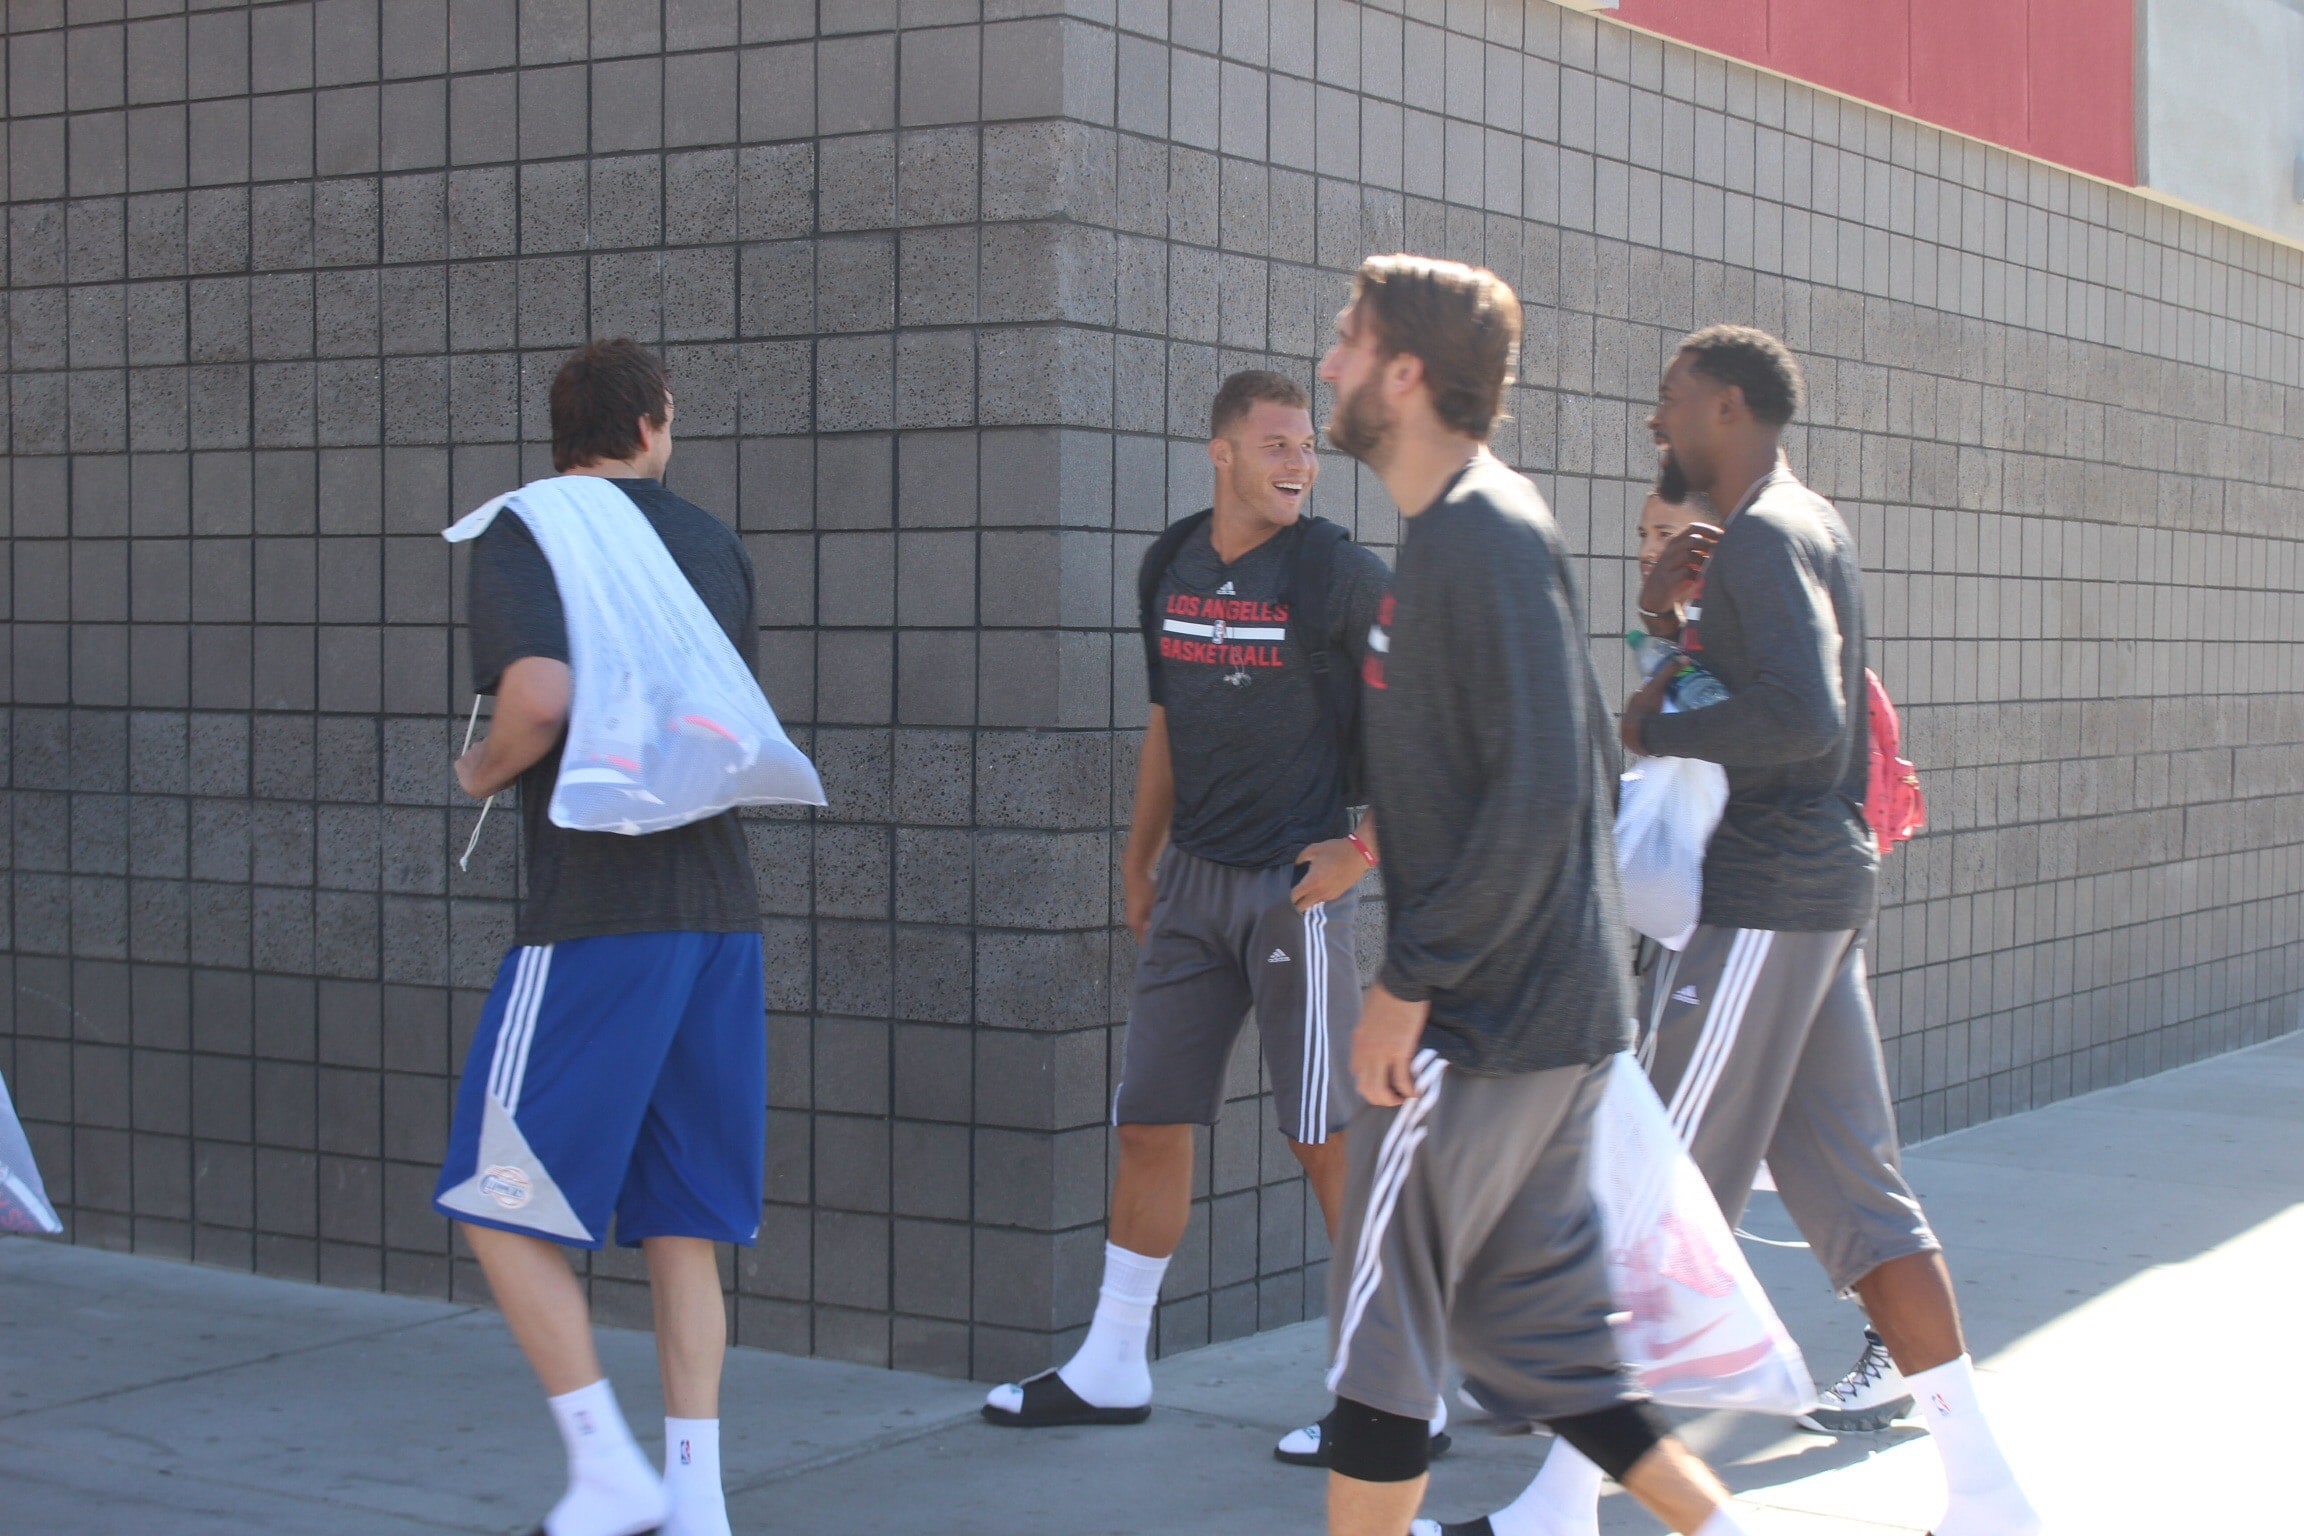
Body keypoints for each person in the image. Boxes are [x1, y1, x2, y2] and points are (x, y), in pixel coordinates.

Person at [1442, 326, 2044, 1536]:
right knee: (1868, 1215)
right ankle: (1988, 1495)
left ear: (1725, 406)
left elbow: (1804, 721)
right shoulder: (1799, 525)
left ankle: (1560, 1506)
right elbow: (1777, 694)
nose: (1655, 421)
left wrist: (1652, 723)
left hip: (1767, 902)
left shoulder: (1769, 532)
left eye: (1668, 400)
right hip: (1812, 900)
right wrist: (1678, 628)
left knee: (1650, 1196)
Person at [1310, 253, 1755, 1536]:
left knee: (1381, 1348)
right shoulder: (1460, 531)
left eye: (1350, 338)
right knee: (1553, 1353)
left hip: (1480, 1029)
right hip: (1539, 1022)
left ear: (1406, 373)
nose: (1332, 360)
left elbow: (1549, 787)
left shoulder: (1479, 534)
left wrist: (1405, 983)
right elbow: (1485, 767)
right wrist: (1375, 856)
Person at [982, 370, 1394, 1439]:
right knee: (1150, 1121)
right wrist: (1139, 859)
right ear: (1221, 452)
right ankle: (1114, 1366)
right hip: (1194, 885)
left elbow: (1431, 721)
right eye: (1276, 446)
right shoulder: (1170, 562)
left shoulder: (1338, 573)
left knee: (1329, 1140)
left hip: (1295, 891)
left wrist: (1362, 850)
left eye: (1306, 446)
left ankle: (1390, 1390)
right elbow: (1168, 722)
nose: (1299, 463)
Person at [433, 339, 764, 1536]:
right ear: (655, 422)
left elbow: (540, 695)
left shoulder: (531, 529)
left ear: (564, 434)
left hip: (593, 921)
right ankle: (696, 1499)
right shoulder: (712, 542)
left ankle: (604, 1465)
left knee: (493, 1189)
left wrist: (477, 773)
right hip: (718, 918)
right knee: (684, 1220)